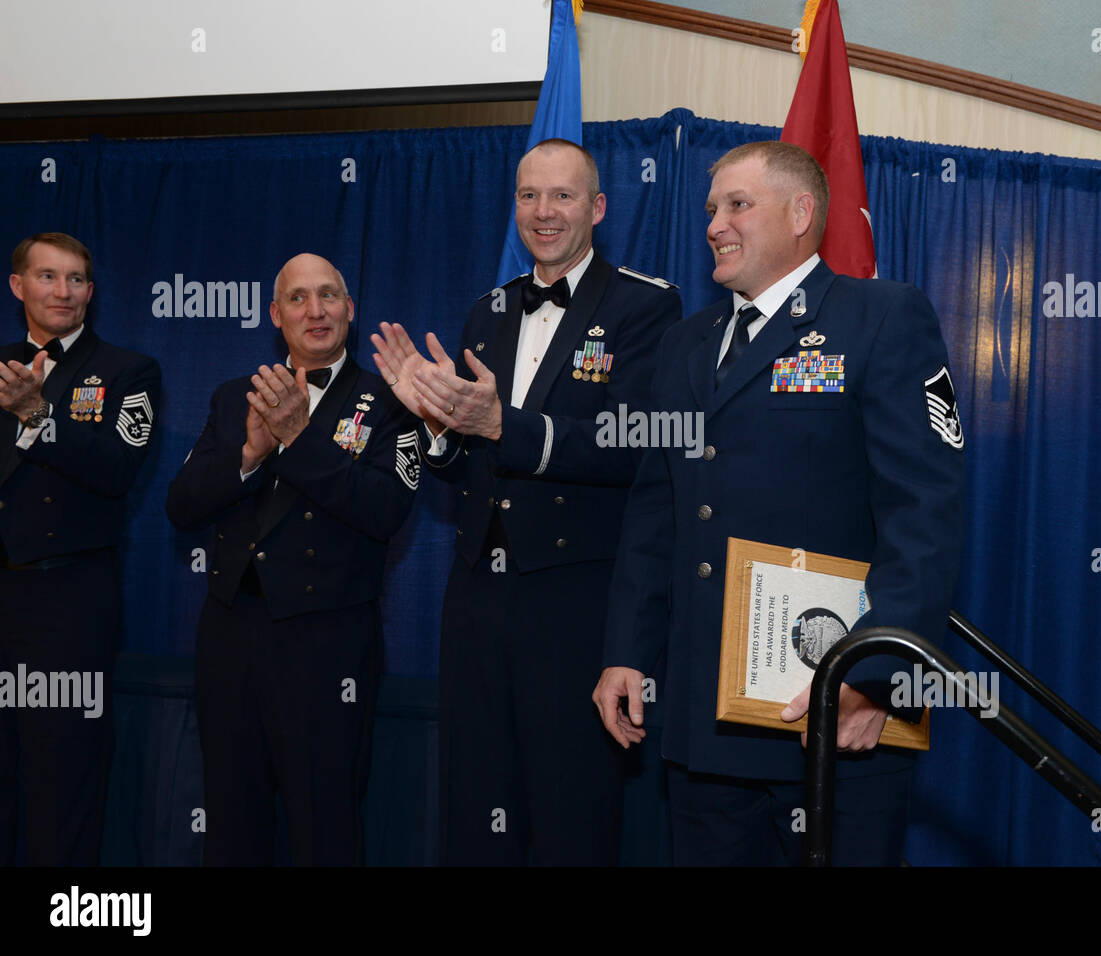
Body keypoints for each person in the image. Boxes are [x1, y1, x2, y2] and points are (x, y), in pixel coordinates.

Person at [593, 141, 965, 866]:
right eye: (711, 209)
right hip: (706, 720)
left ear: (801, 214)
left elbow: (924, 513)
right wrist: (626, 654)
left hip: (835, 718)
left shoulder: (881, 318)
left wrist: (876, 680)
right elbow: (656, 514)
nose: (714, 225)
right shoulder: (684, 345)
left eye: (737, 205)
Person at [372, 138, 681, 865]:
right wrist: (438, 428)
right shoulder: (487, 310)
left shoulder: (646, 306)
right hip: (477, 597)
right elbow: (469, 461)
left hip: (576, 601)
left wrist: (499, 425)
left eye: (563, 196)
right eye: (529, 196)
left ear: (598, 208)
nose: (544, 212)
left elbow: (634, 445)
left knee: (571, 810)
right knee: (475, 806)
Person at [167, 253, 420, 865]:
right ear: (275, 315)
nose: (316, 311)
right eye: (299, 299)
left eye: (329, 295)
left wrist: (299, 439)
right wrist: (250, 454)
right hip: (232, 636)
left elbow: (384, 510)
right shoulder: (235, 397)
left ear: (350, 310)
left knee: (324, 822)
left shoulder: (390, 399)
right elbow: (180, 506)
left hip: (328, 641)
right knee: (231, 818)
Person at [0, 232, 161, 865]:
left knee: (63, 778)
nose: (62, 291)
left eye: (75, 280)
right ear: (19, 286)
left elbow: (117, 467)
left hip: (67, 603)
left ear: (91, 293)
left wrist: (38, 415)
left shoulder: (128, 371)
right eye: (47, 277)